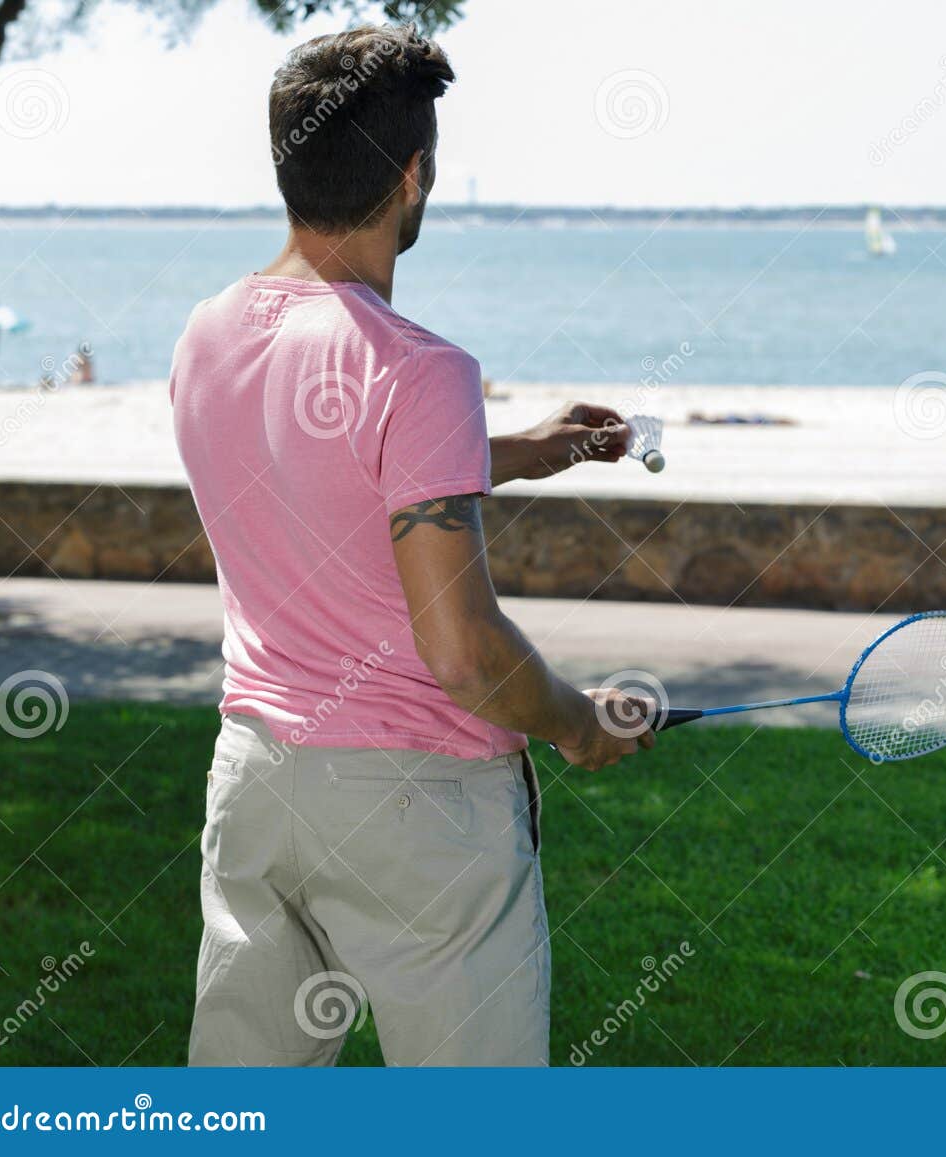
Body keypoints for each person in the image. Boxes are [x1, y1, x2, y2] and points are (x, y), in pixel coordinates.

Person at [171, 25, 654, 1066]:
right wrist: (577, 724)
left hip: (256, 778)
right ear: (415, 174)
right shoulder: (419, 369)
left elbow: (325, 465)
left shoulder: (206, 332)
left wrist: (525, 449)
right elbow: (465, 655)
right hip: (417, 811)